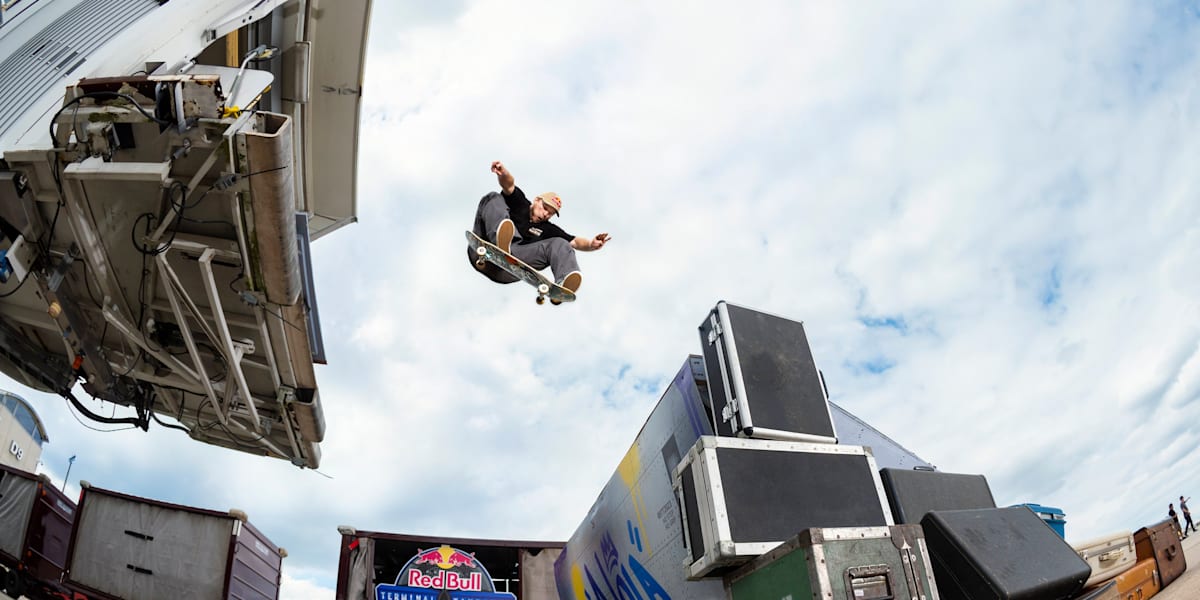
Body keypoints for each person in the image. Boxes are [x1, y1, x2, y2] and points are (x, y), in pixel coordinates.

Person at [468, 161, 610, 293]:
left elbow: (575, 242)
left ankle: (562, 282)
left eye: (551, 213)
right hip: (482, 248)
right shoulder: (519, 203)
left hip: (508, 268)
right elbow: (509, 185)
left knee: (560, 243)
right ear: (536, 200)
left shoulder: (548, 229)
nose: (546, 214)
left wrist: (591, 244)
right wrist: (503, 173)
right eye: (545, 208)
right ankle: (499, 243)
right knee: (493, 197)